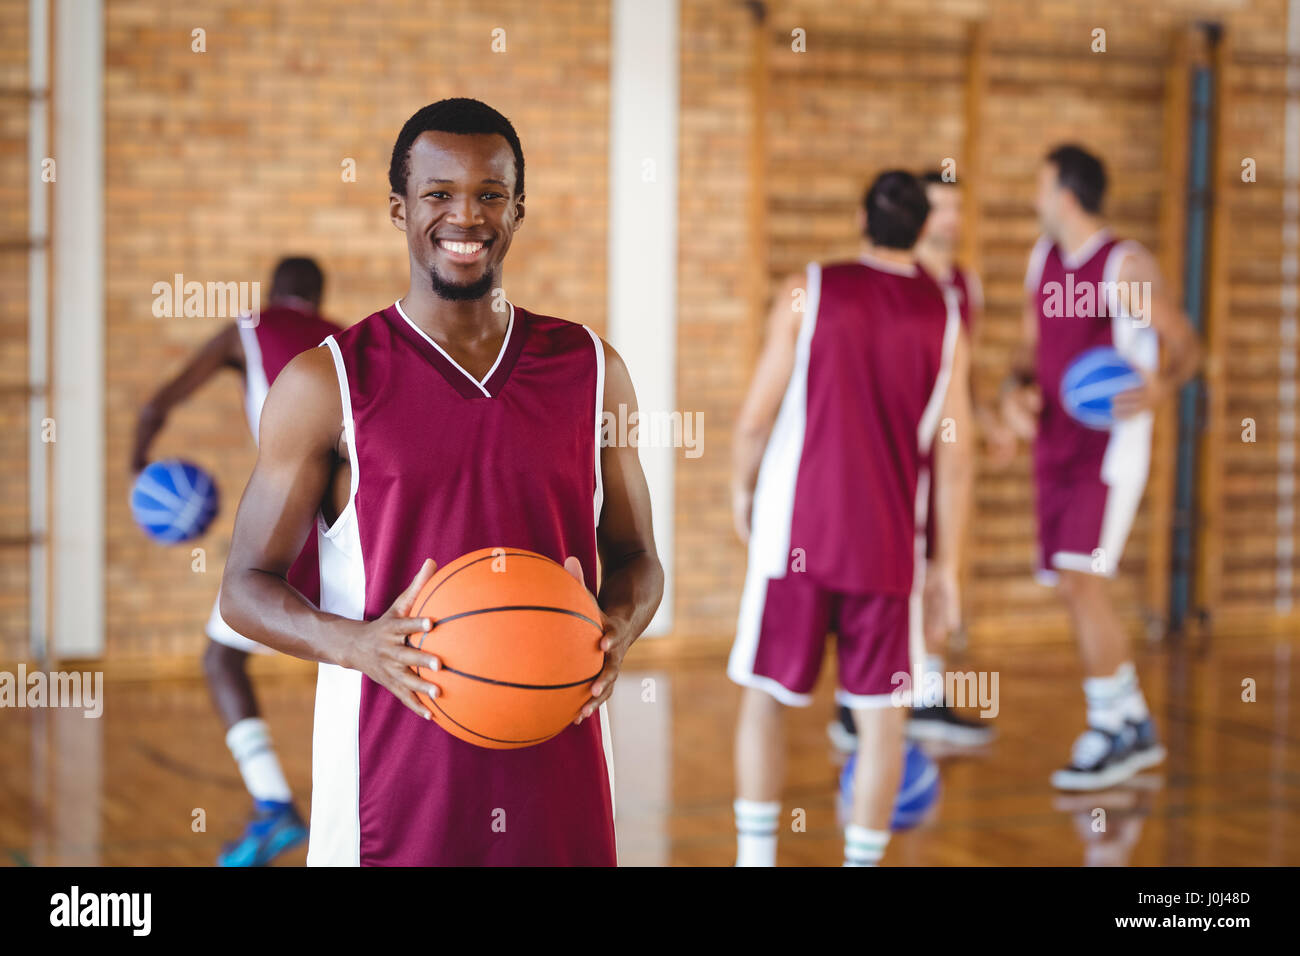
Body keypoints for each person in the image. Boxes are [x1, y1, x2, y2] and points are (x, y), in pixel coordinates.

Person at [219, 98, 663, 865]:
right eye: (439, 194)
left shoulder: (594, 369)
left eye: (491, 193)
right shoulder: (326, 385)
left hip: (560, 759)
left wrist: (614, 630)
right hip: (390, 783)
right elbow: (244, 588)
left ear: (519, 209)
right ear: (399, 209)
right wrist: (359, 645)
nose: (467, 215)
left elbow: (637, 559)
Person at [730, 170, 974, 865]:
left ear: (861, 218)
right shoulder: (945, 314)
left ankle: (755, 860)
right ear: (924, 227)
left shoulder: (810, 288)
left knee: (765, 700)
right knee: (882, 721)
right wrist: (946, 569)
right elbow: (956, 459)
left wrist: (741, 491)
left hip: (795, 540)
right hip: (890, 551)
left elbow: (754, 418)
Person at [1001, 144, 1200, 790]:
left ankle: (1110, 728)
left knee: (1084, 580)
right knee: (1070, 583)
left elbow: (1187, 344)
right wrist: (1016, 389)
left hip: (1108, 450)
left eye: (1039, 188)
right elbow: (1031, 348)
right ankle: (1132, 721)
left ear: (1064, 195)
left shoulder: (1124, 265)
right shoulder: (1044, 259)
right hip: (1054, 445)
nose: (1034, 202)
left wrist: (1162, 388)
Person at [131, 256, 339, 865]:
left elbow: (154, 406)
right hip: (349, 530)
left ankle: (275, 806)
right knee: (353, 661)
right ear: (320, 299)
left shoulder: (247, 327)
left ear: (274, 293)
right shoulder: (345, 338)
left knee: (221, 660)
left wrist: (136, 477)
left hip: (289, 525)